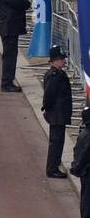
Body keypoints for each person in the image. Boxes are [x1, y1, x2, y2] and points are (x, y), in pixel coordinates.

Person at [41, 45, 72, 178]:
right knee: (56, 142)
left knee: (58, 142)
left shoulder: (57, 73)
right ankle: (52, 168)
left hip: (58, 113)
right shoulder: (55, 75)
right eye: (61, 59)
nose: (64, 61)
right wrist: (47, 108)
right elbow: (49, 95)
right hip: (57, 114)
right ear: (54, 60)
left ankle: (54, 165)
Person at [72, 107, 90, 218]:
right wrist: (77, 168)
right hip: (87, 170)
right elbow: (83, 155)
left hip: (85, 169)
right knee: (87, 196)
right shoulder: (87, 136)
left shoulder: (84, 134)